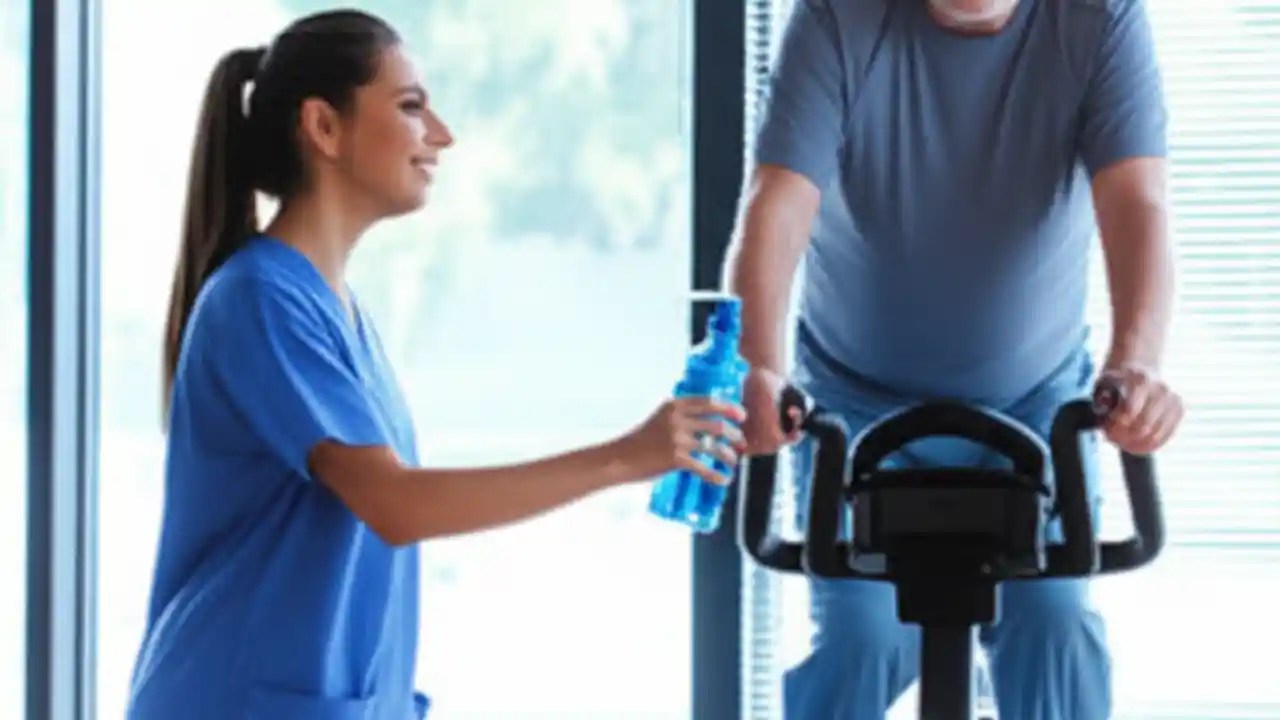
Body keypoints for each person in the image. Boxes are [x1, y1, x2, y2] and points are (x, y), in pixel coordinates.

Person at [126, 10, 746, 720]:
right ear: (324, 127)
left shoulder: (335, 310)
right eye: (412, 107)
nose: (441, 136)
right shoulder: (261, 300)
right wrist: (625, 457)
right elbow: (396, 504)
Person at [724, 0, 1185, 718]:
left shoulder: (1098, 17)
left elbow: (1137, 201)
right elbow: (778, 202)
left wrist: (1137, 366)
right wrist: (757, 365)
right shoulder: (837, 18)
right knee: (864, 640)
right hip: (856, 409)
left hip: (1034, 410)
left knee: (1053, 625)